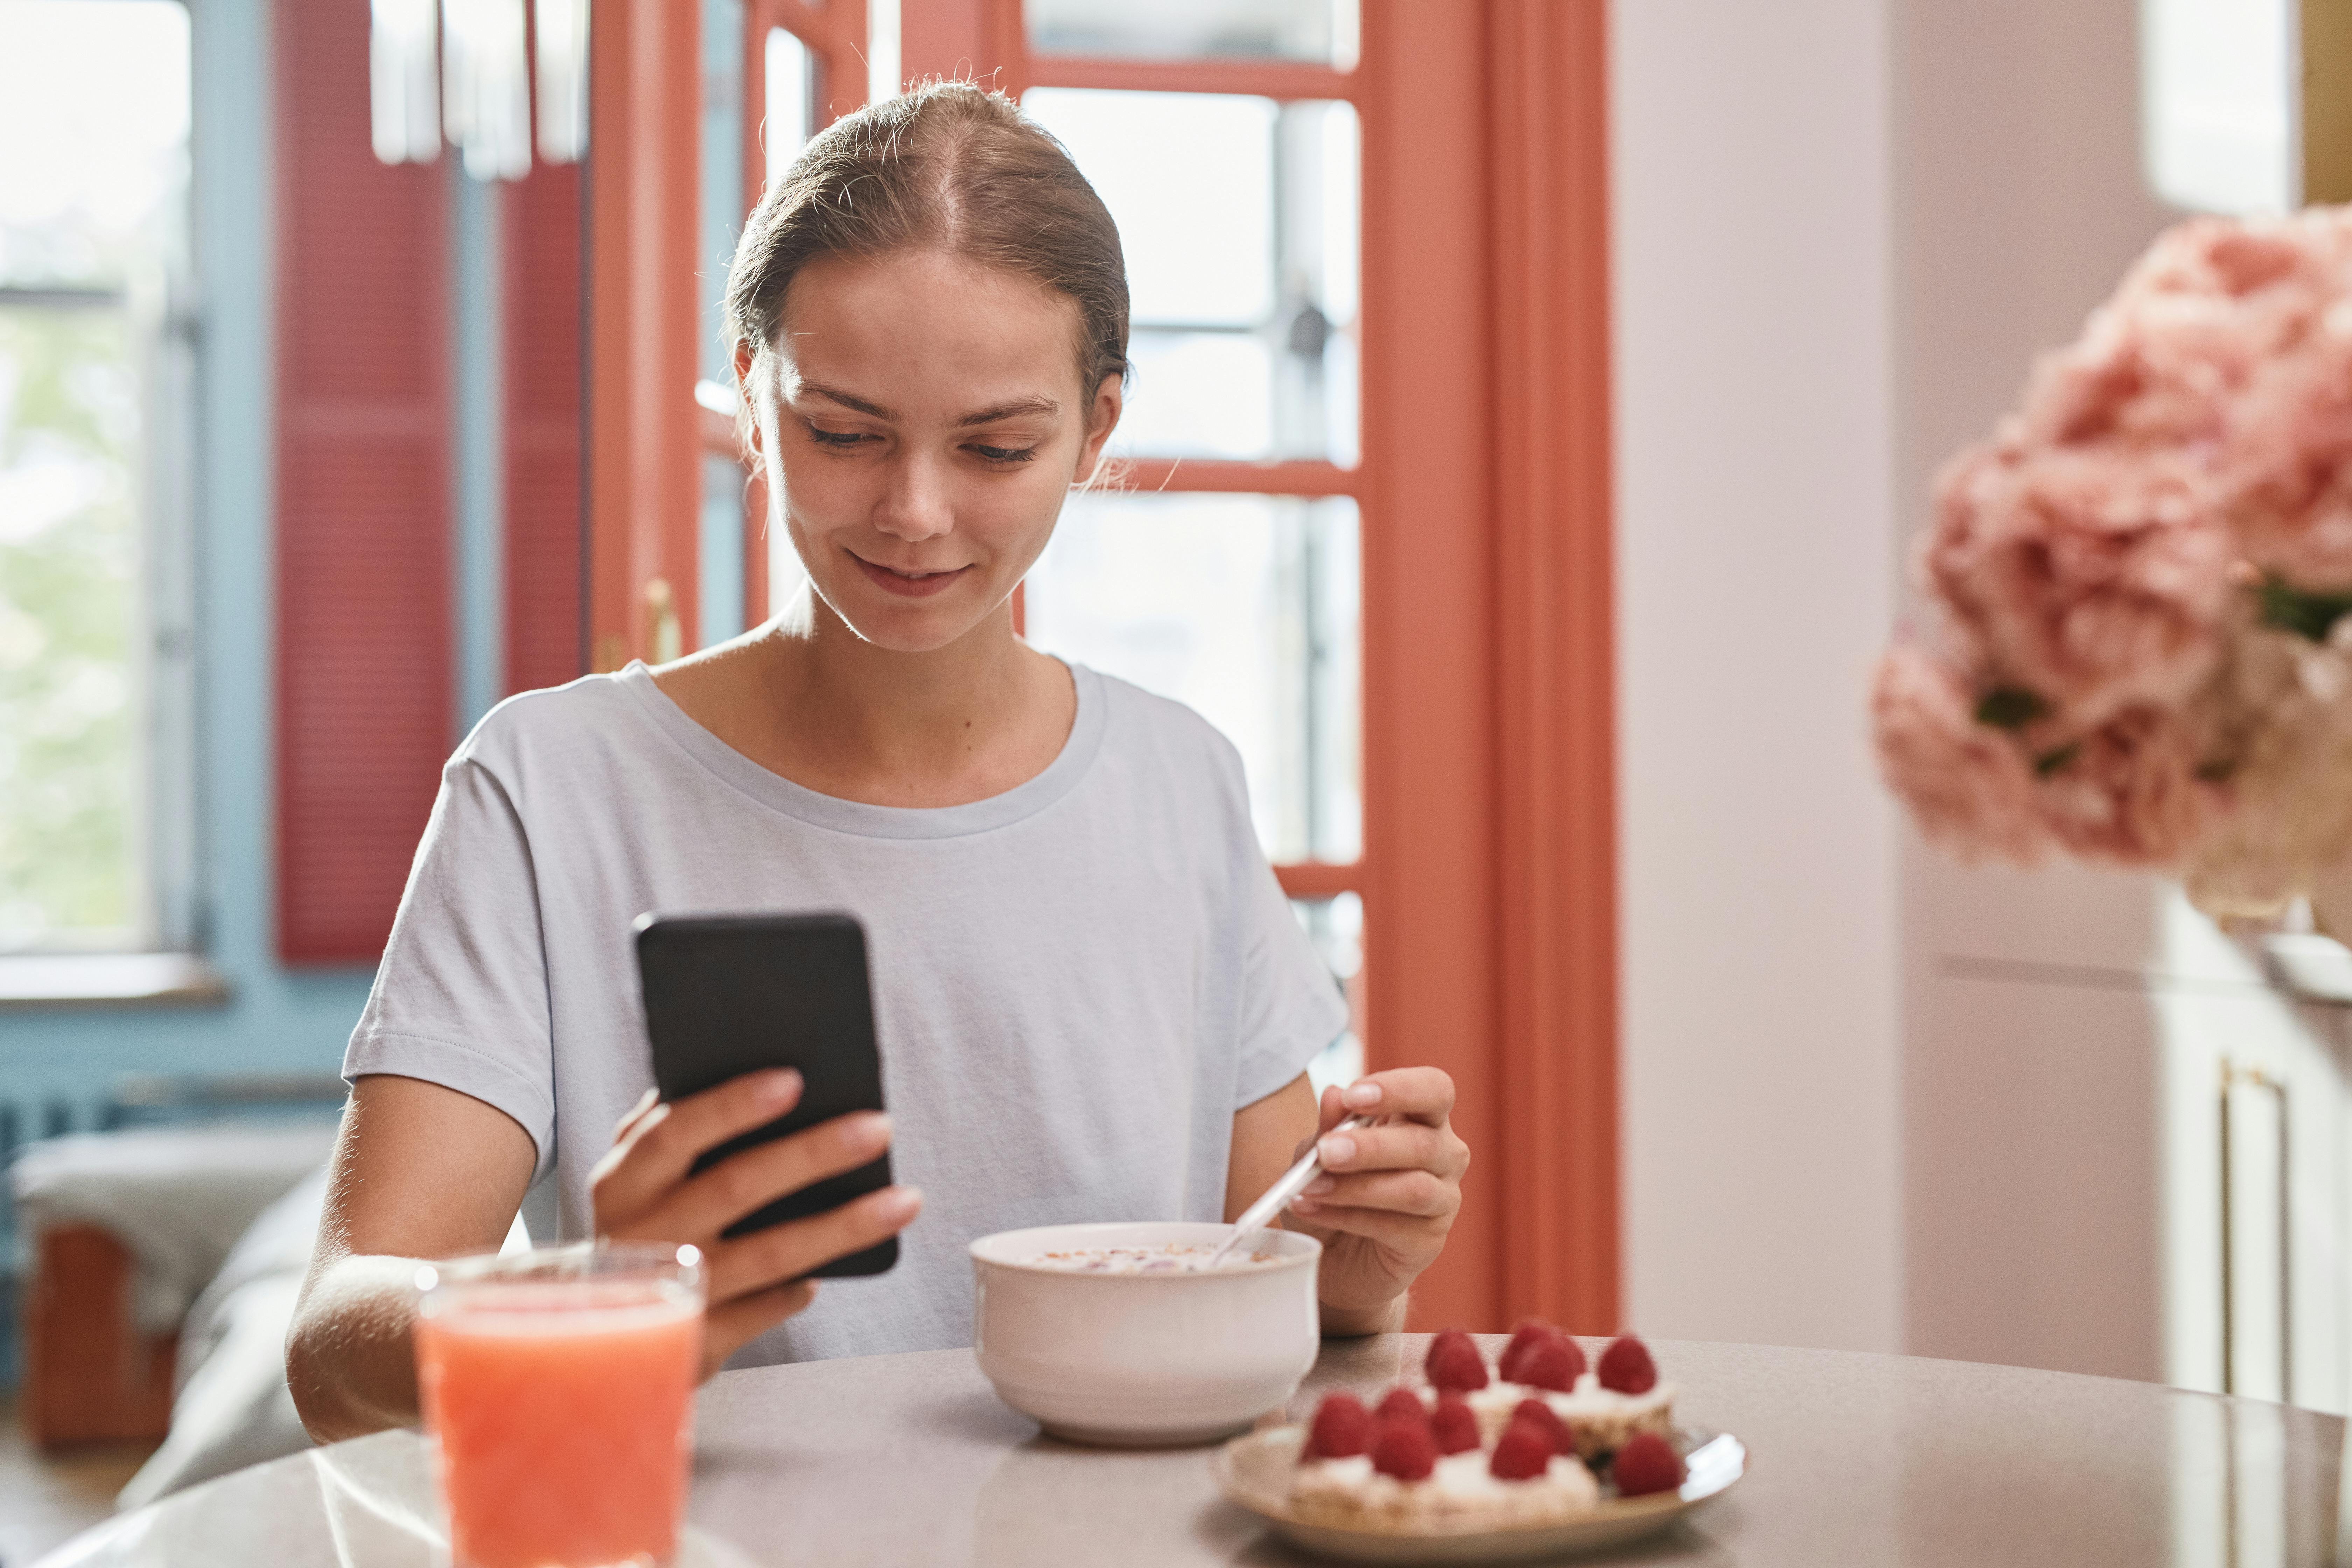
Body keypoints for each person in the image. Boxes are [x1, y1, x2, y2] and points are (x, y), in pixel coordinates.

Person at [286, 82, 1470, 1442]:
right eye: (842, 432)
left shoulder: (1181, 781)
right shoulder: (550, 786)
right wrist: (600, 1296)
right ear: (749, 388)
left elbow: (1271, 1273)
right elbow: (333, 1345)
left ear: (1097, 429)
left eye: (997, 446)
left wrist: (1360, 1271)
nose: (914, 513)